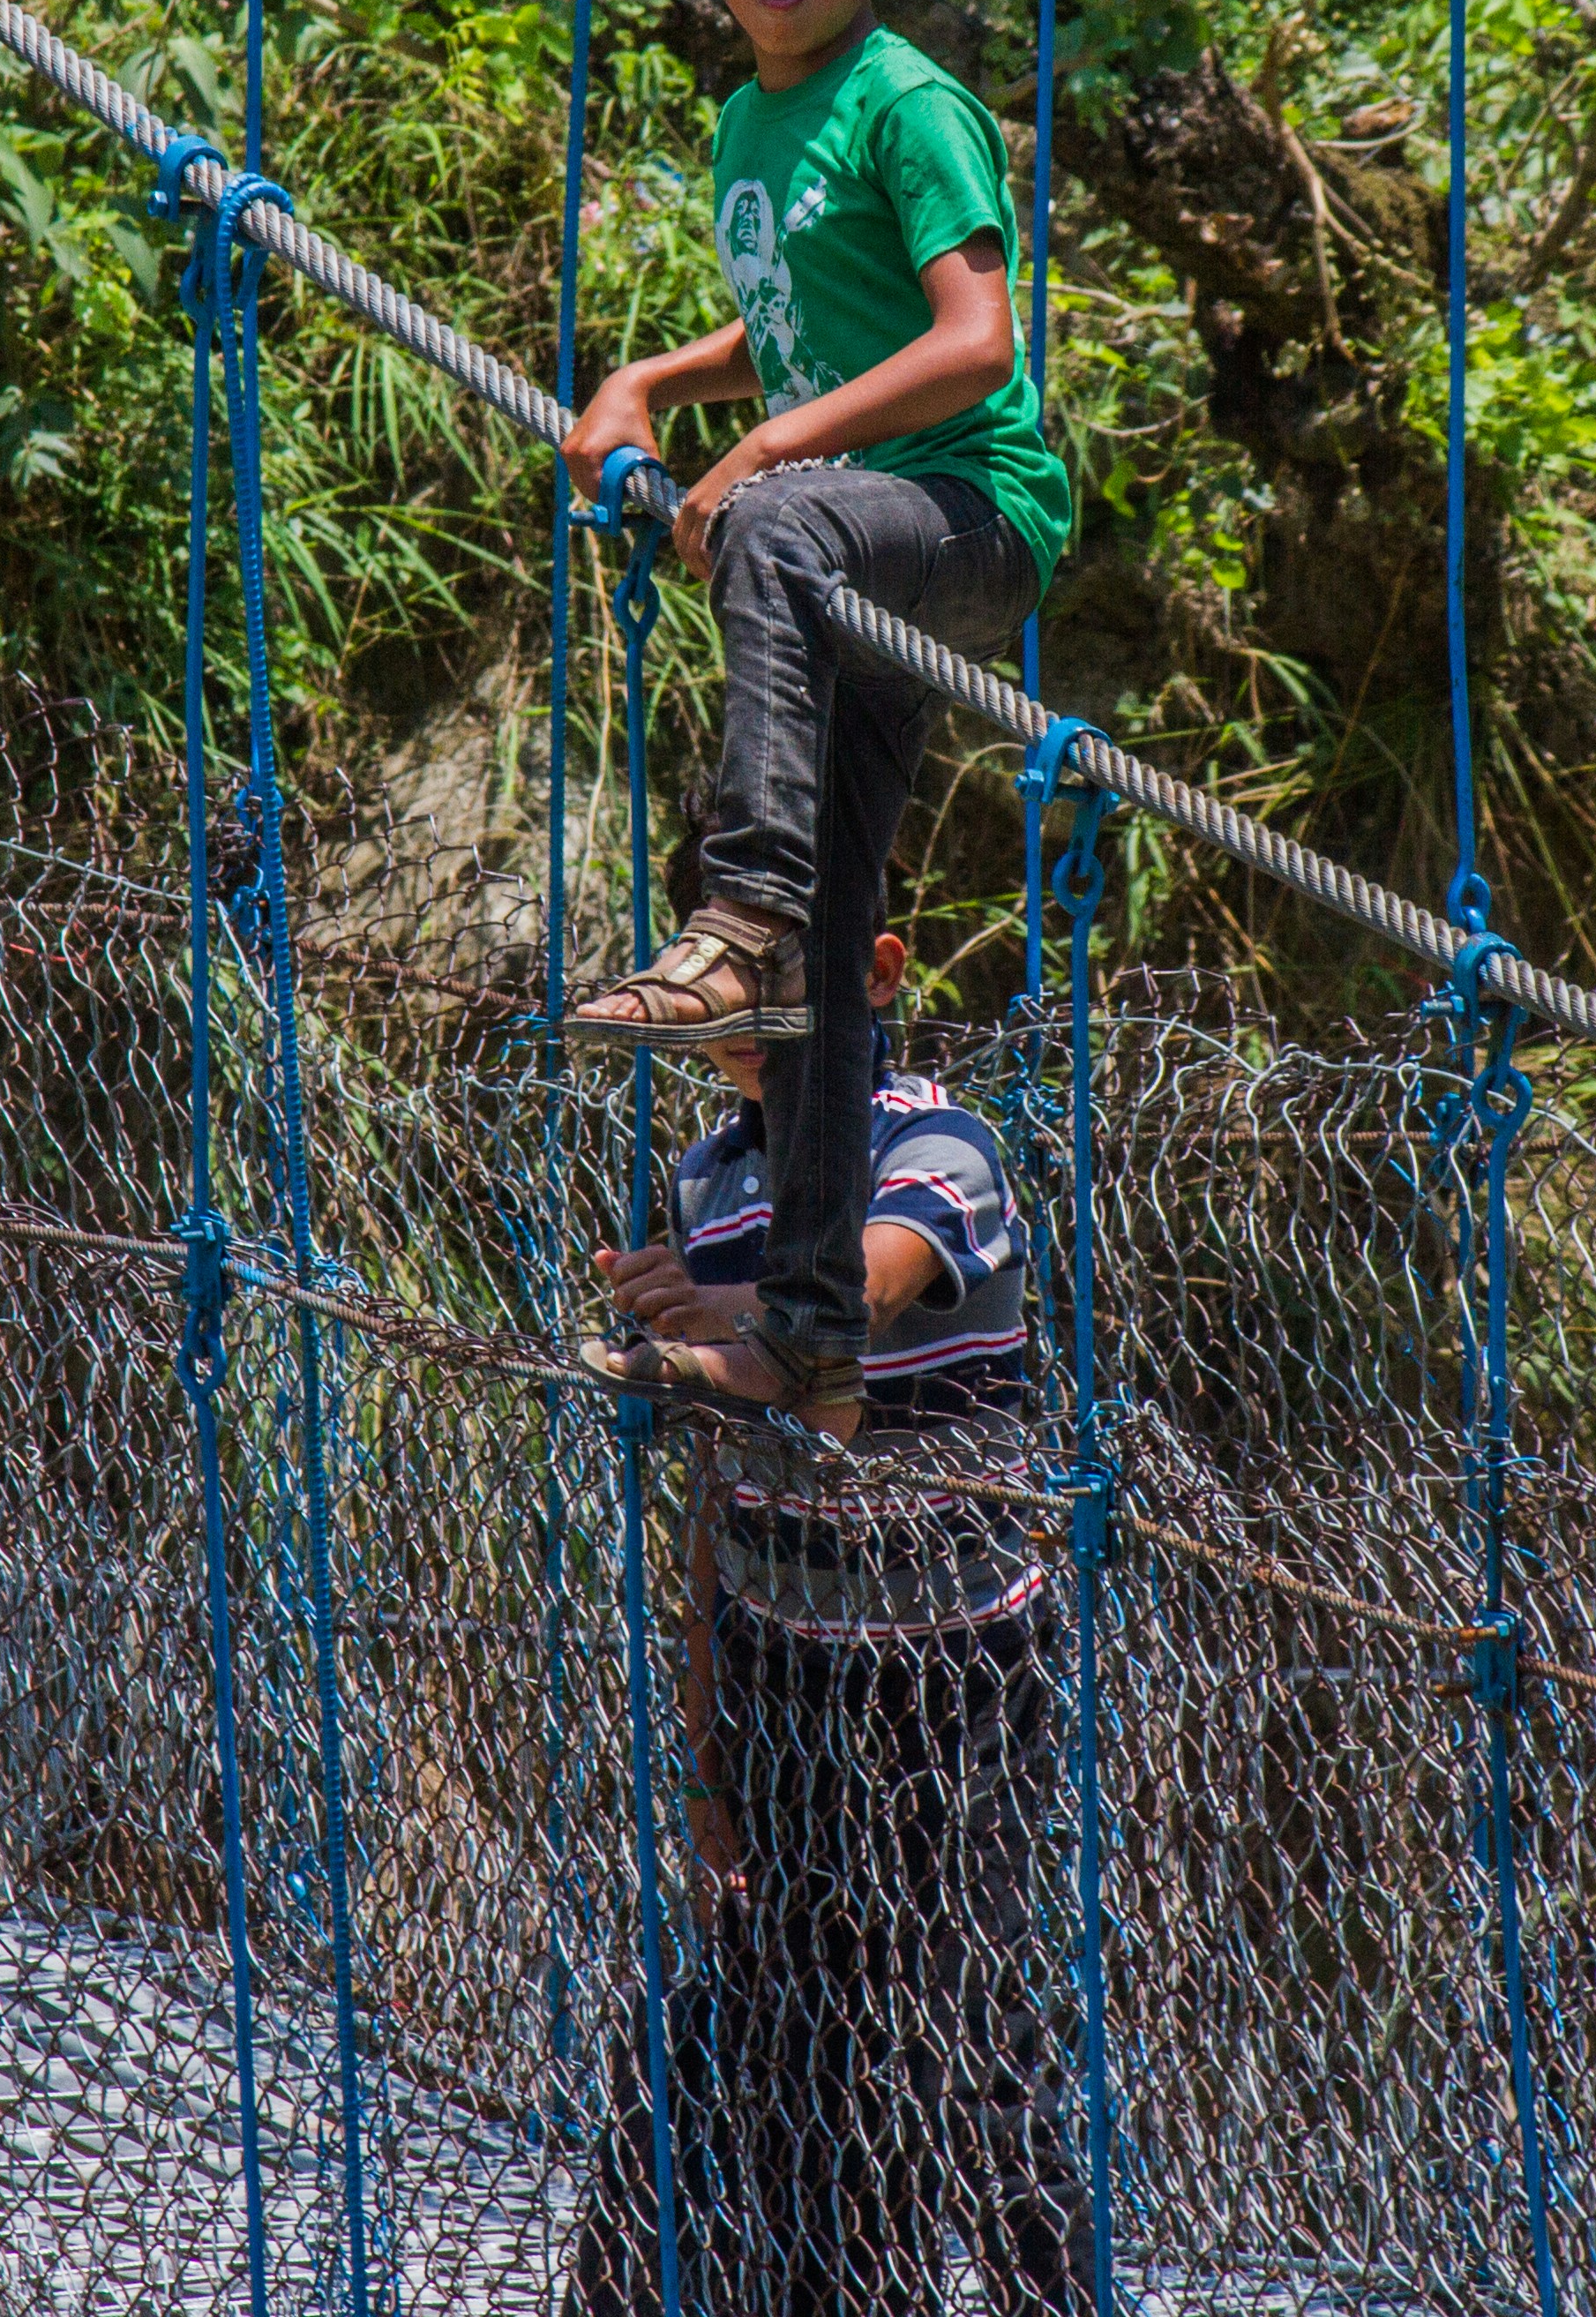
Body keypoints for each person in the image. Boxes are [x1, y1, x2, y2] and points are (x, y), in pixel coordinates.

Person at [558, 0, 1073, 1433]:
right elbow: (793, 318)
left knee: (774, 525)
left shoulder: (906, 100)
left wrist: (764, 448)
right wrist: (660, 376)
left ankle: (744, 917)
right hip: (862, 530)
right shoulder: (751, 120)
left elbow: (971, 341)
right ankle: (808, 1334)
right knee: (847, 931)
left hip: (966, 516)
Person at [559, 918, 1100, 2317]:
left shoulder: (939, 1148)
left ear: (880, 972)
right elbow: (718, 1473)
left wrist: (701, 1326)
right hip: (777, 1662)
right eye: (729, 989)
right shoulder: (711, 1175)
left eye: (782, 983)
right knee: (788, 2025)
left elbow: (856, 1298)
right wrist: (704, 1746)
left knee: (964, 2020)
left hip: (953, 1662)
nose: (744, 1020)